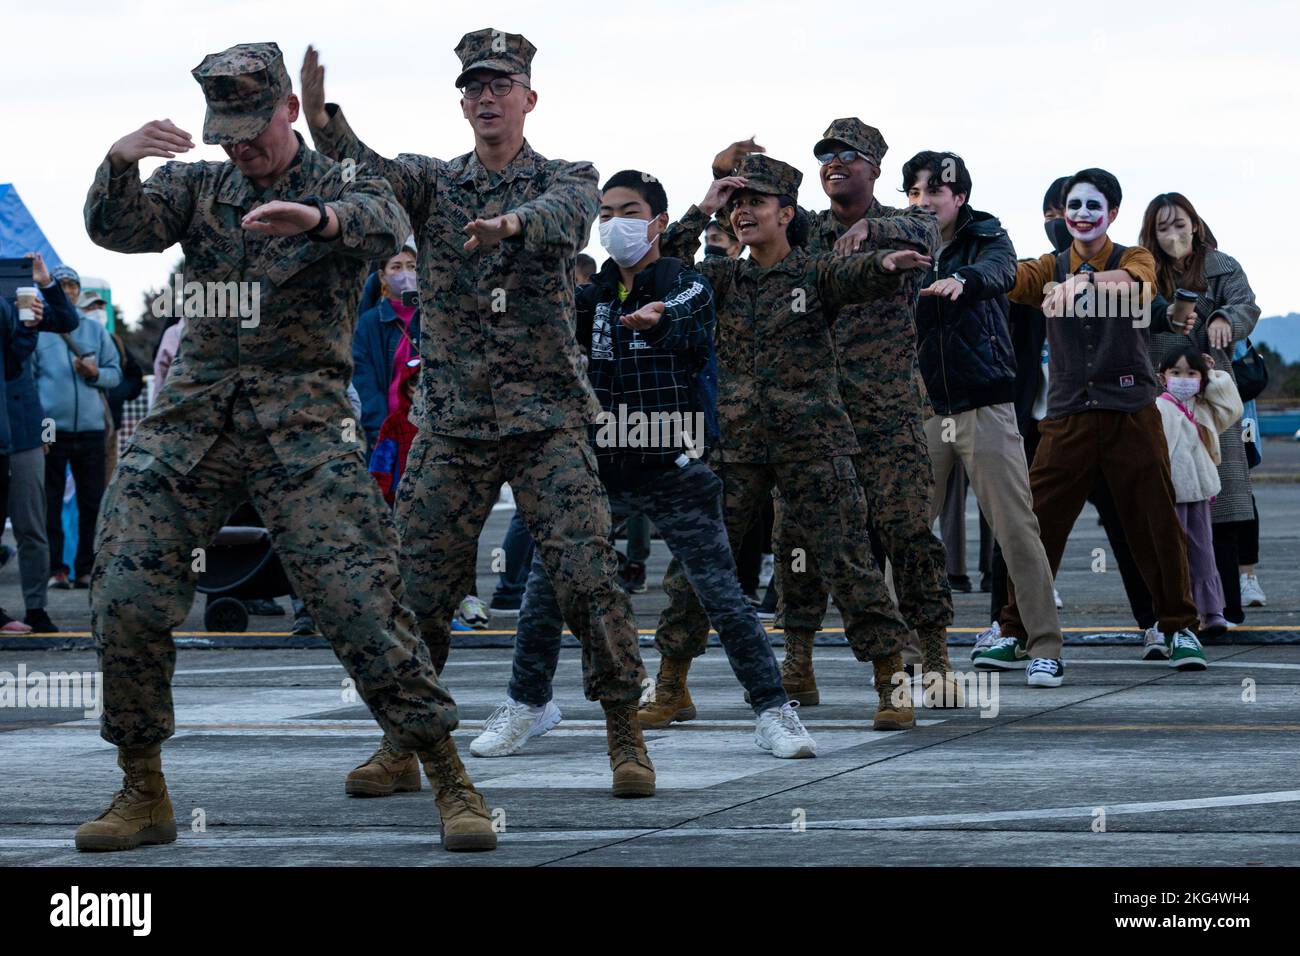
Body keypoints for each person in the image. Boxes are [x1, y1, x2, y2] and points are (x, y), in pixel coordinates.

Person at [77, 42, 496, 853]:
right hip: (192, 422)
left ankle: (446, 772)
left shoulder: (338, 181)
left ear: (289, 112)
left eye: (254, 129)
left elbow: (387, 218)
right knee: (124, 585)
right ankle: (142, 789)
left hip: (302, 424)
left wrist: (320, 220)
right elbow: (117, 230)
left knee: (362, 604)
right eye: (226, 132)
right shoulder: (199, 186)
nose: (241, 146)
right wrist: (118, 161)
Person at [304, 30, 657, 798]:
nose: (487, 97)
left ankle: (624, 732)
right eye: (474, 87)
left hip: (546, 419)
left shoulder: (568, 176)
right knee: (416, 585)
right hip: (455, 421)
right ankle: (406, 737)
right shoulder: (434, 183)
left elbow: (567, 214)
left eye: (501, 85)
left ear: (529, 96)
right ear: (462, 101)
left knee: (587, 575)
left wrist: (511, 226)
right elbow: (365, 170)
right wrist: (321, 118)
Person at [472, 169, 814, 760]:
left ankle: (774, 710)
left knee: (724, 597)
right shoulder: (591, 296)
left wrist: (660, 320)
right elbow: (541, 323)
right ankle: (528, 703)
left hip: (673, 471)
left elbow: (684, 312)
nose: (613, 225)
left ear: (656, 222)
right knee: (547, 591)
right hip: (596, 473)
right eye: (604, 214)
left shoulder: (690, 286)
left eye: (627, 212)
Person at [666, 121, 950, 706]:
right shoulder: (803, 230)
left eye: (848, 155)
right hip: (802, 419)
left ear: (875, 166)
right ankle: (797, 660)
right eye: (825, 156)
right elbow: (715, 245)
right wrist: (720, 184)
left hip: (883, 410)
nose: (833, 163)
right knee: (799, 542)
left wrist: (875, 238)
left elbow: (915, 238)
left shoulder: (904, 221)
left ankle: (935, 657)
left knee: (904, 532)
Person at [980, 168, 1206, 673]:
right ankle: (1015, 629)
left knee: (1156, 521)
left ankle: (1178, 627)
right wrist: (978, 263)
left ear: (1113, 213)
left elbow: (1139, 286)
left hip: (1131, 413)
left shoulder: (1135, 257)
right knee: (1034, 525)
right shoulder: (1047, 266)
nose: (1081, 214)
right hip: (1067, 417)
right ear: (1062, 213)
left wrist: (1081, 283)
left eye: (1092, 205)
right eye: (1073, 205)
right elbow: (1010, 280)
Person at [904, 150, 1065, 687]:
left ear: (960, 197)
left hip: (985, 403)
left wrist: (964, 280)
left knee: (1016, 527)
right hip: (925, 406)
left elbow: (1001, 273)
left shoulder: (990, 236)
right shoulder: (899, 241)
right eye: (915, 193)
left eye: (934, 192)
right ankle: (897, 650)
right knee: (906, 529)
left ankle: (1045, 644)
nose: (923, 202)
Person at [1140, 192, 1260, 628]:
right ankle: (1172, 613)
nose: (1173, 234)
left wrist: (1226, 316)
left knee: (1221, 503)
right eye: (1163, 227)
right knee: (1168, 507)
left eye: (1179, 224)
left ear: (1195, 224)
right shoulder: (1143, 270)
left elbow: (1247, 304)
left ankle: (1225, 608)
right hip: (1160, 396)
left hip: (1209, 393)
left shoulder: (1220, 264)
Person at [0, 253, 80, 633]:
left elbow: (67, 320)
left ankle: (36, 607)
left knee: (32, 525)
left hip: (24, 430)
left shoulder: (23, 298)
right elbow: (14, 358)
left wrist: (45, 282)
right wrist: (25, 325)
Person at [33, 265, 122, 591]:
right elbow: (29, 382)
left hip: (90, 428)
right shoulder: (38, 330)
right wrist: (38, 430)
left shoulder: (96, 332)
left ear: (78, 291)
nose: (67, 291)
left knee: (92, 501)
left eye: (72, 285)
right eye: (61, 285)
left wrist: (94, 374)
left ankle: (85, 569)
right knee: (50, 501)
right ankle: (56, 569)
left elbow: (116, 374)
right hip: (50, 429)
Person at [1154, 345, 1242, 640]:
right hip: (1170, 493)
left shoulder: (1202, 407)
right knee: (1174, 554)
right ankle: (1180, 611)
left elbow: (1232, 408)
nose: (1183, 378)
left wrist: (1213, 374)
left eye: (1191, 373)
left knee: (1203, 552)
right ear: (1162, 376)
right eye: (1176, 372)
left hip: (1200, 491)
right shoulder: (1158, 407)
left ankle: (1212, 611)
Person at [352, 240, 420, 453]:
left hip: (428, 428)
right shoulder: (369, 323)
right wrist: (382, 432)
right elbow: (365, 383)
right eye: (396, 267)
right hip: (391, 433)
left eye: (411, 266)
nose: (405, 273)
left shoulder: (432, 317)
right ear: (382, 276)